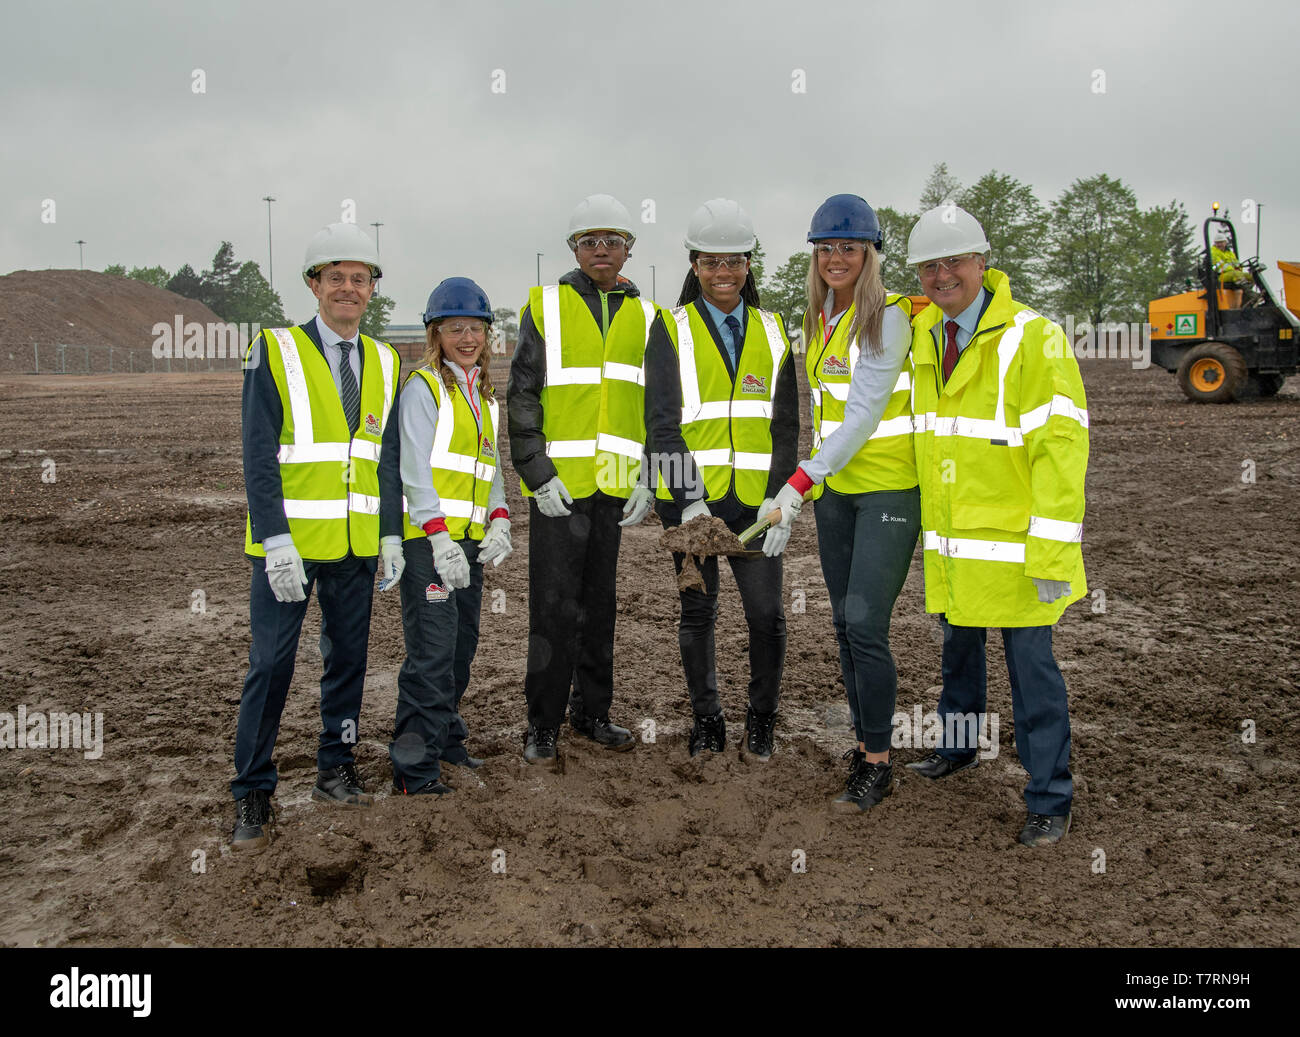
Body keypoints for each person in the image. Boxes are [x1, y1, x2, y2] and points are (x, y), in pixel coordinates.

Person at [902, 205, 1089, 847]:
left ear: (984, 261)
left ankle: (1048, 797)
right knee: (958, 654)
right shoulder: (924, 337)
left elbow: (1062, 450)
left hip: (1019, 546)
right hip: (957, 541)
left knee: (1031, 673)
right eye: (930, 265)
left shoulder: (1033, 338)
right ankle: (958, 747)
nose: (942, 274)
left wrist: (1053, 551)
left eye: (954, 261)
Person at [231, 223, 405, 852]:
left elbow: (383, 458)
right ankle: (252, 788)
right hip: (290, 550)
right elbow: (258, 454)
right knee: (271, 665)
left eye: (360, 279)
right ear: (314, 284)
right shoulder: (272, 349)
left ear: (372, 289)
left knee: (348, 664)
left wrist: (390, 536)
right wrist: (275, 539)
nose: (349, 289)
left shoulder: (385, 359)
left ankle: (336, 766)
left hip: (357, 549)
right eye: (336, 278)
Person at [766, 194, 917, 811]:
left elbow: (861, 414)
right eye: (826, 248)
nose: (835, 258)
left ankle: (879, 764)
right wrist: (818, 484)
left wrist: (800, 481)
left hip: (887, 489)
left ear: (870, 254)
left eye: (848, 248)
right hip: (838, 496)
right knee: (842, 627)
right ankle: (863, 741)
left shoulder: (892, 317)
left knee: (865, 625)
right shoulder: (822, 318)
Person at [644, 198, 799, 761]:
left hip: (757, 507)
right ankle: (708, 720)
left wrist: (782, 496)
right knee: (698, 613)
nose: (723, 272)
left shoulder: (775, 329)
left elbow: (785, 426)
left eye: (734, 260)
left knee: (766, 616)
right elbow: (661, 424)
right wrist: (687, 501)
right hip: (695, 509)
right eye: (711, 261)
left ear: (750, 264)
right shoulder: (670, 327)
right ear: (694, 265)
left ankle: (762, 719)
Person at [507, 194, 658, 767]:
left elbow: (656, 404)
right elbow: (522, 393)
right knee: (553, 607)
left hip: (615, 488)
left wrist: (651, 472)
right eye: (590, 240)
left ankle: (592, 712)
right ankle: (542, 723)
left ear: (629, 248)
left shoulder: (648, 316)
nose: (602, 249)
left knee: (600, 605)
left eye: (612, 240)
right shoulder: (544, 305)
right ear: (575, 247)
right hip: (559, 491)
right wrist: (536, 471)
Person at [390, 278, 511, 796]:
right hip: (430, 544)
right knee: (432, 654)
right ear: (435, 333)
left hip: (471, 544)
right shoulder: (424, 387)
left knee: (462, 647)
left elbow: (492, 466)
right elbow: (414, 469)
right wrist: (438, 538)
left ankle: (445, 738)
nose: (467, 337)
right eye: (455, 327)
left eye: (476, 328)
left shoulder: (484, 394)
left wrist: (501, 518)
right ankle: (413, 771)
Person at [1211, 231, 1255, 305]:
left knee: (1250, 276)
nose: (1219, 244)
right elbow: (1220, 266)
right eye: (1217, 243)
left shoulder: (1230, 253)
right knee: (1236, 274)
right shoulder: (1213, 253)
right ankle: (1251, 294)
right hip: (1220, 276)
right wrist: (1234, 270)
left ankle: (1249, 298)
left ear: (1225, 242)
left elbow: (1236, 263)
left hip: (1231, 274)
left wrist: (1239, 269)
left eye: (1221, 242)